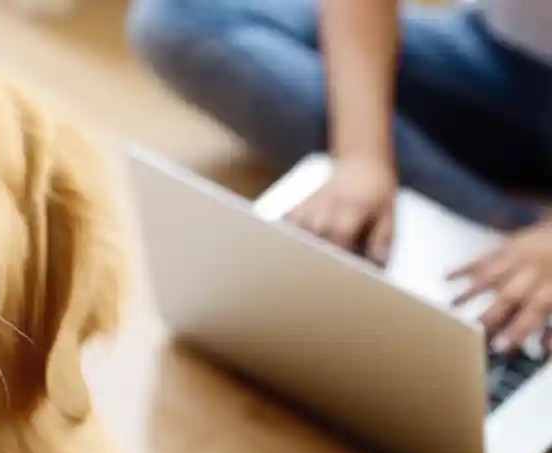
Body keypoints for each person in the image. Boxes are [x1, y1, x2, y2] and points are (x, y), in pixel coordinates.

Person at [129, 0, 552, 352]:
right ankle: (502, 232)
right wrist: (361, 155)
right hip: (499, 58)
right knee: (185, 18)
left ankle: (514, 255)